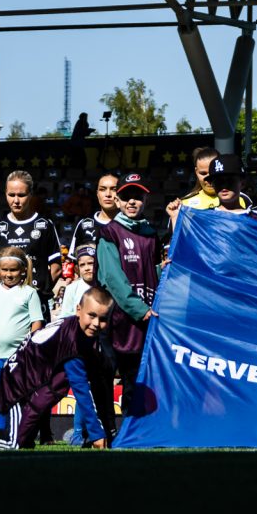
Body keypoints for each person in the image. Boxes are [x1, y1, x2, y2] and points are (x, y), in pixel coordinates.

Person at [0, 287, 117, 449]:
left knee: (25, 443)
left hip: (34, 385)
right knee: (14, 444)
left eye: (103, 319)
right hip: (17, 384)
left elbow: (98, 384)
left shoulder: (81, 333)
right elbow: (81, 390)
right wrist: (97, 433)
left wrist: (107, 431)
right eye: (92, 316)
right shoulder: (73, 343)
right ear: (78, 310)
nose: (96, 323)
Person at [88, 174, 164, 427]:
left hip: (142, 321)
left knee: (136, 378)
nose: (132, 202)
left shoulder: (151, 234)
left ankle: (132, 431)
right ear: (118, 201)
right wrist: (139, 309)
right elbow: (111, 278)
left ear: (145, 200)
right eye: (127, 197)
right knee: (104, 377)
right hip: (114, 320)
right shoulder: (109, 233)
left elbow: (156, 272)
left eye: (138, 197)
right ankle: (103, 432)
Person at [0, 249, 44, 430]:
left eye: (13, 270)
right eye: (5, 270)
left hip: (19, 358)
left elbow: (37, 322)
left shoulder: (29, 293)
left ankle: (19, 432)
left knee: (20, 395)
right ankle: (0, 431)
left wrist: (28, 347)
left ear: (22, 270)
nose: (8, 274)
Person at [0, 170, 66, 290]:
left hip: (37, 296)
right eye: (11, 195)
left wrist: (41, 293)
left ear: (30, 194)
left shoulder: (45, 225)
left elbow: (56, 267)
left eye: (21, 195)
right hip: (7, 299)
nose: (16, 201)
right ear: (5, 194)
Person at [52, 245, 98, 321]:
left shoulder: (103, 286)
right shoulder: (72, 289)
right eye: (82, 265)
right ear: (77, 268)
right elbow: (66, 317)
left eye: (90, 263)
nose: (87, 268)